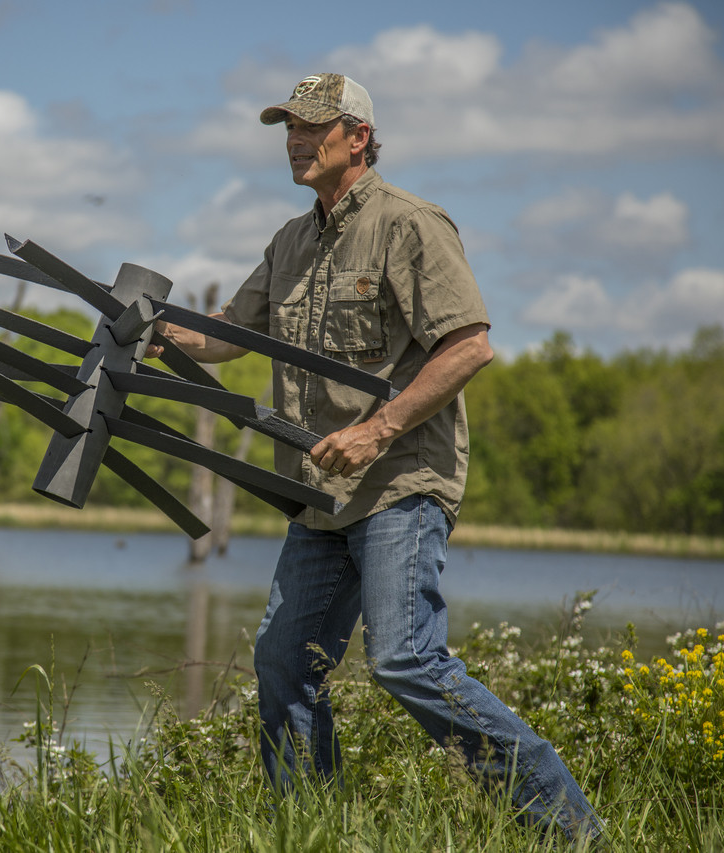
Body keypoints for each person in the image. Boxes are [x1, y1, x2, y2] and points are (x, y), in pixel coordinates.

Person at [152, 73, 603, 842]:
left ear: (357, 136)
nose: (295, 140)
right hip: (321, 495)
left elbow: (469, 346)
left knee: (405, 660)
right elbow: (228, 332)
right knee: (284, 665)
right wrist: (155, 330)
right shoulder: (291, 240)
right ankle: (312, 830)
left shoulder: (410, 225)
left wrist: (376, 429)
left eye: (311, 127)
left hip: (400, 480)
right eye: (287, 128)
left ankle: (568, 829)